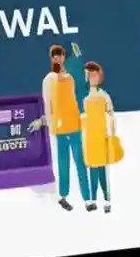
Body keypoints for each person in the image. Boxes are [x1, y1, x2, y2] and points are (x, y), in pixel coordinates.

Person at [30, 43, 90, 211]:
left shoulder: (70, 78)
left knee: (80, 161)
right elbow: (47, 104)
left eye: (60, 55)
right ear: (52, 59)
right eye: (54, 55)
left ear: (64, 57)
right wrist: (47, 123)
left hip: (74, 124)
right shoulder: (48, 79)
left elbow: (74, 100)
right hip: (59, 127)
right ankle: (63, 196)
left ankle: (87, 198)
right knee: (63, 162)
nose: (57, 58)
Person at [81, 61, 115, 213]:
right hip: (89, 138)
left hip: (102, 137)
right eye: (89, 74)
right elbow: (82, 118)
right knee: (92, 171)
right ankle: (93, 200)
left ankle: (107, 201)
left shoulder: (104, 96)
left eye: (94, 74)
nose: (92, 77)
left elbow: (111, 116)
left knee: (103, 171)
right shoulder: (85, 98)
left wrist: (112, 135)